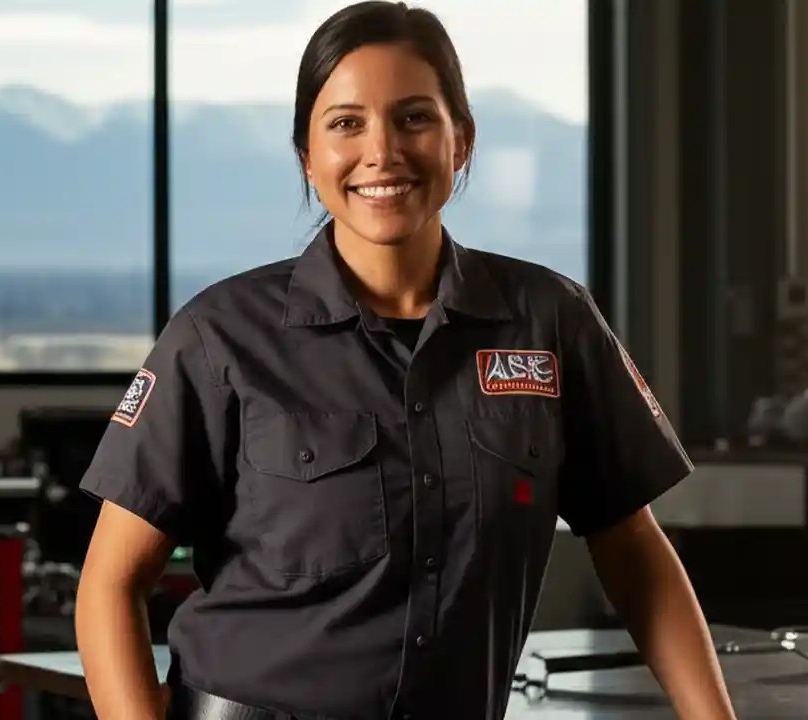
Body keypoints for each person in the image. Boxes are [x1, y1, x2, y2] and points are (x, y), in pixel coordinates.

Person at [75, 2, 736, 718]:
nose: (382, 152)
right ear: (307, 153)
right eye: (346, 123)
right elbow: (110, 585)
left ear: (462, 141)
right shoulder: (220, 337)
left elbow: (633, 552)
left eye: (415, 117)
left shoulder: (548, 321)